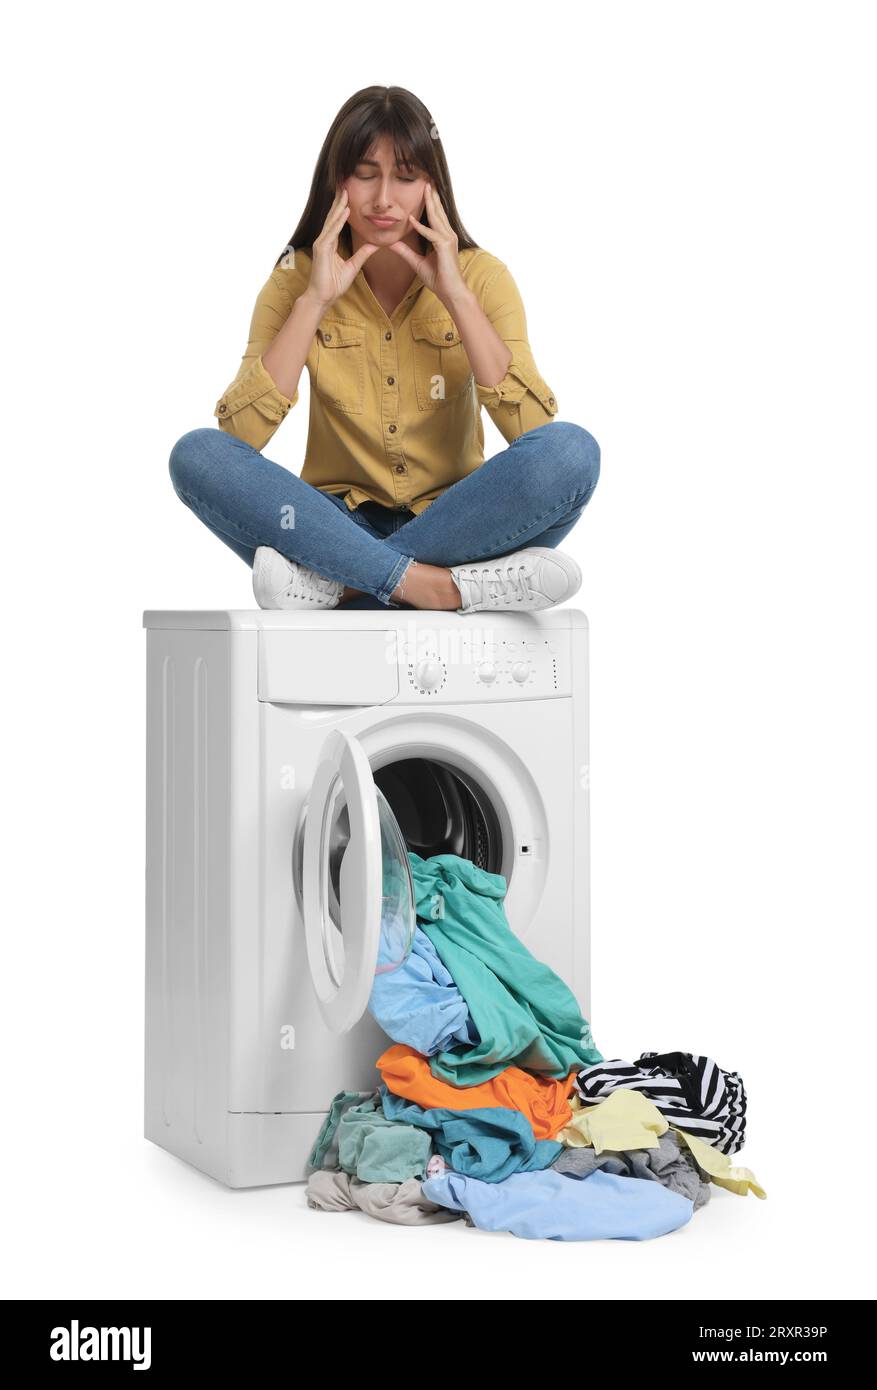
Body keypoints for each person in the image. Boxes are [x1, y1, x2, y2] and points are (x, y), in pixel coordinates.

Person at [168, 85, 601, 613]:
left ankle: (342, 586)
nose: (383, 200)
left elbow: (533, 434)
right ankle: (443, 590)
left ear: (432, 186)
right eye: (366, 174)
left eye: (405, 176)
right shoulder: (293, 280)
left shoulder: (483, 278)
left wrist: (456, 298)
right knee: (196, 455)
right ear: (338, 181)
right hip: (331, 520)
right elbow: (239, 438)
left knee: (573, 451)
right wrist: (315, 302)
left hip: (459, 521)